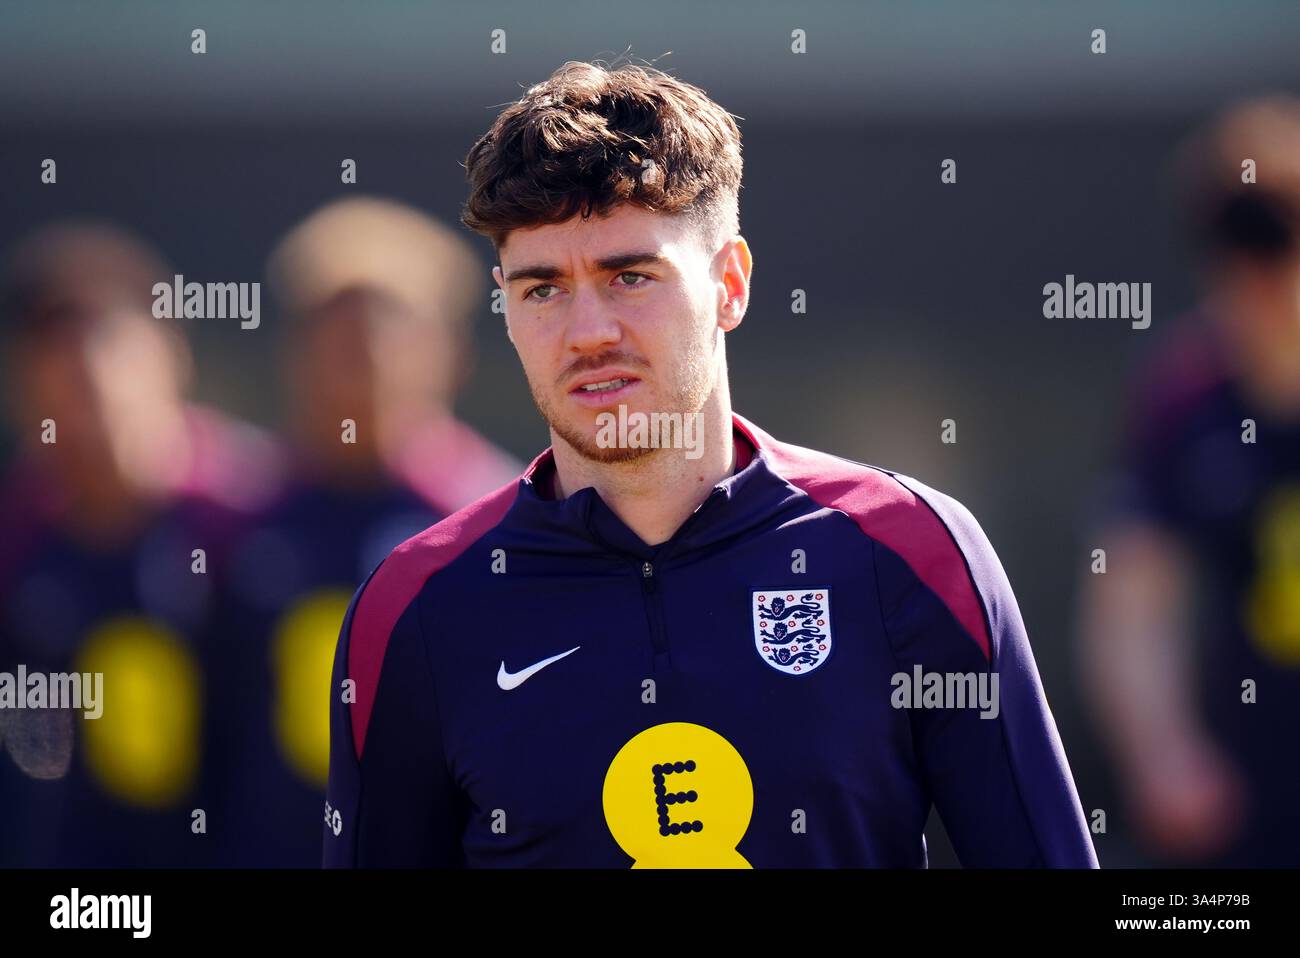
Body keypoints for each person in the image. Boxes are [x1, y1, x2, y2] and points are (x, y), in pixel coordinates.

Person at [322, 60, 1097, 868]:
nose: (588, 332)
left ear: (730, 284)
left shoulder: (910, 552)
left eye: (630, 277)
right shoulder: (415, 610)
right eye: (543, 289)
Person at [208, 198, 519, 865]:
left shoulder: (500, 525)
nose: (365, 352)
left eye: (390, 325)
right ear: (295, 351)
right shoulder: (233, 523)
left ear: (450, 349)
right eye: (337, 329)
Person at [0, 222, 276, 866]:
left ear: (170, 355)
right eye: (60, 370)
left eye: (110, 355)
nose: (90, 391)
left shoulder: (252, 518)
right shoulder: (19, 539)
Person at [1079, 97, 1300, 866]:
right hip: (1247, 801)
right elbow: (1131, 602)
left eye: (1277, 240)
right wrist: (1164, 753)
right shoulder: (1186, 395)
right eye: (1240, 244)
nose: (1262, 281)